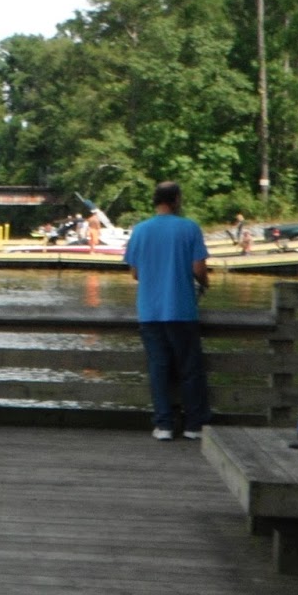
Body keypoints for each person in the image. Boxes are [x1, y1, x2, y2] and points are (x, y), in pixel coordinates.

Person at [125, 181, 211, 441]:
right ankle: (193, 425)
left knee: (159, 369)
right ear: (176, 200)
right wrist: (205, 283)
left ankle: (164, 425)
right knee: (190, 369)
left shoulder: (140, 230)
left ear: (156, 201)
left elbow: (135, 273)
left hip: (150, 311)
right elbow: (199, 269)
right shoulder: (190, 228)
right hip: (182, 310)